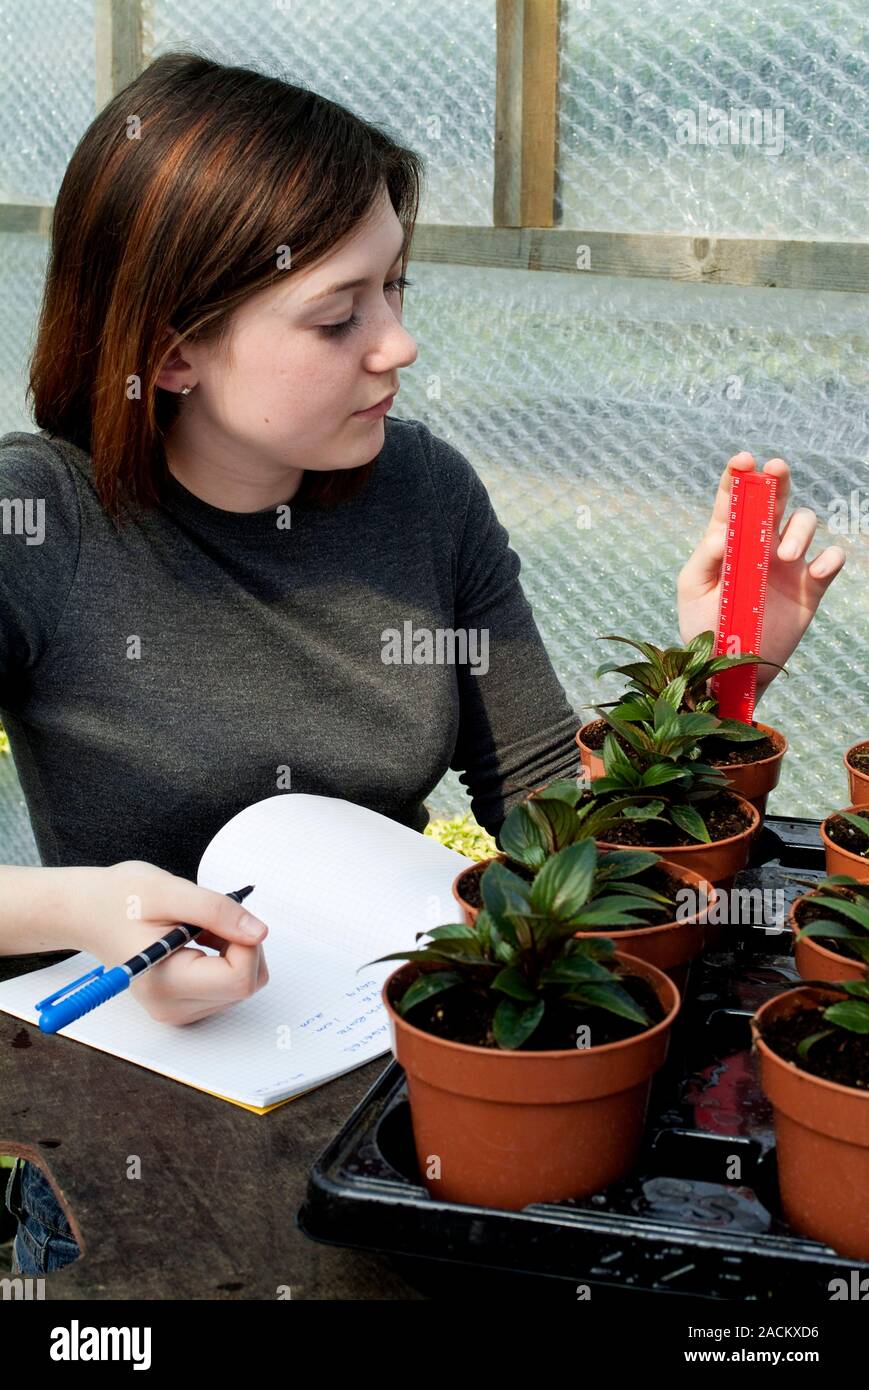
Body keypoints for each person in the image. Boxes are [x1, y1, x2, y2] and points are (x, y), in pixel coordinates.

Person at [0, 53, 846, 1279]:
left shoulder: (422, 493)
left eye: (397, 286)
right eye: (339, 315)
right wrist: (79, 910)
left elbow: (553, 819)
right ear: (172, 351)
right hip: (133, 1148)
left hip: (399, 1117)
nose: (396, 344)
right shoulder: (42, 522)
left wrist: (716, 677)